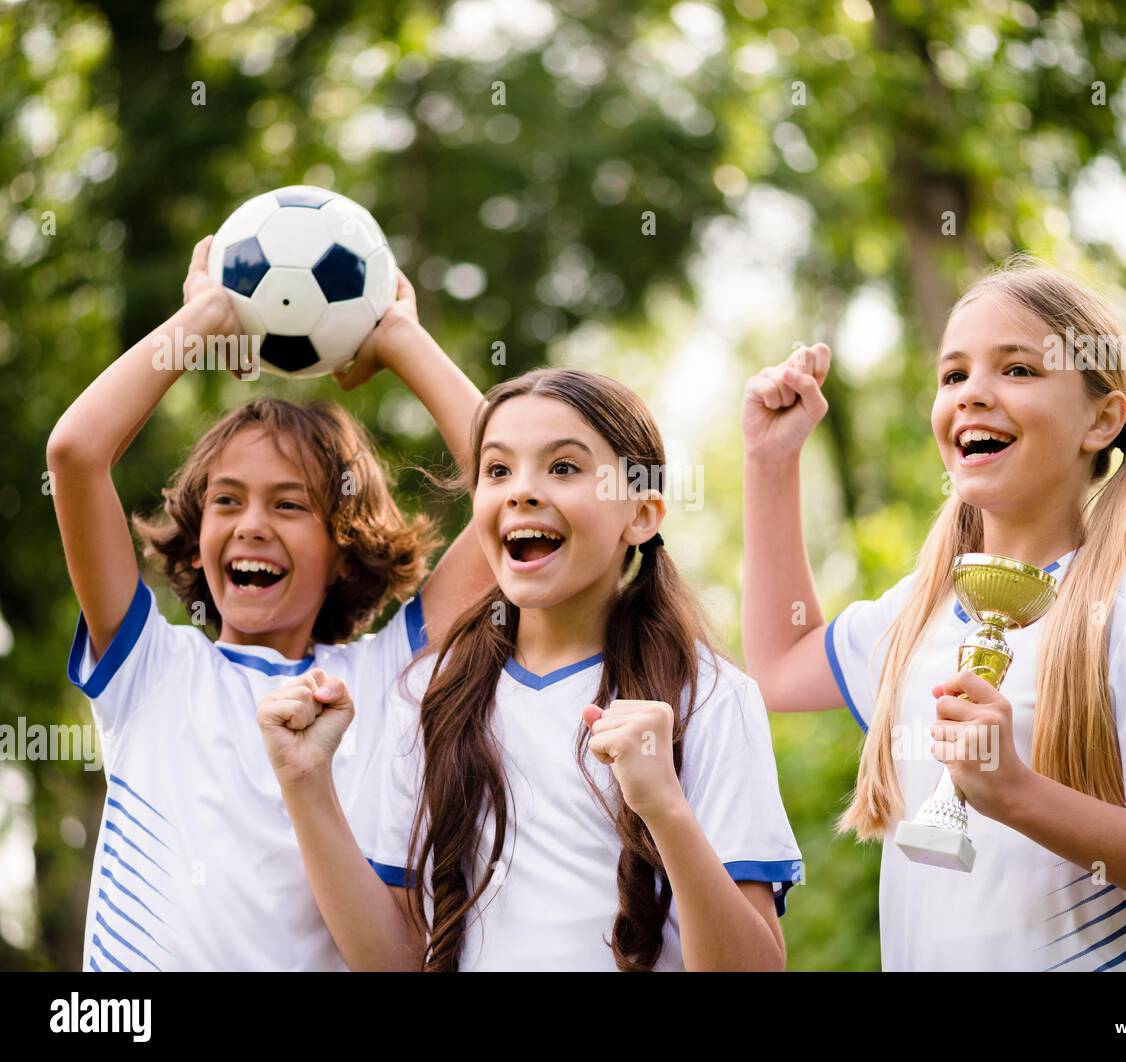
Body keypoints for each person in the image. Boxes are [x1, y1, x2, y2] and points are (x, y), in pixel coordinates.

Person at [739, 260, 1126, 971]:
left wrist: (1017, 794)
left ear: (1101, 420)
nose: (972, 395)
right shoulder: (915, 612)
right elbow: (777, 664)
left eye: (1017, 369)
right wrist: (771, 462)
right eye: (953, 375)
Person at [257, 368, 803, 970]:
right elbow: (395, 961)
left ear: (642, 515)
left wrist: (665, 809)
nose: (521, 490)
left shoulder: (711, 697)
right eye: (497, 470)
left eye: (564, 467)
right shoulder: (426, 690)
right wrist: (306, 783)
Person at [47, 236, 494, 970]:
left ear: (344, 548)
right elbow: (75, 454)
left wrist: (402, 342)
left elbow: (511, 499)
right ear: (197, 539)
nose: (252, 523)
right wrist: (205, 318)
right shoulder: (152, 670)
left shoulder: (386, 677)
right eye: (227, 500)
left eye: (289, 505)